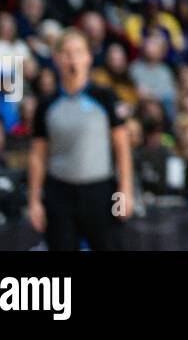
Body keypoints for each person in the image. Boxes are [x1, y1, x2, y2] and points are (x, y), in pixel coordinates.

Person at [28, 28, 134, 250]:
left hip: (101, 191)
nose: (71, 58)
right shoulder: (47, 103)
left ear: (88, 57)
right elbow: (38, 155)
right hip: (60, 192)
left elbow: (122, 147)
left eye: (77, 52)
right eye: (65, 53)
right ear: (56, 58)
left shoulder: (105, 97)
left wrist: (125, 191)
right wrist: (35, 200)